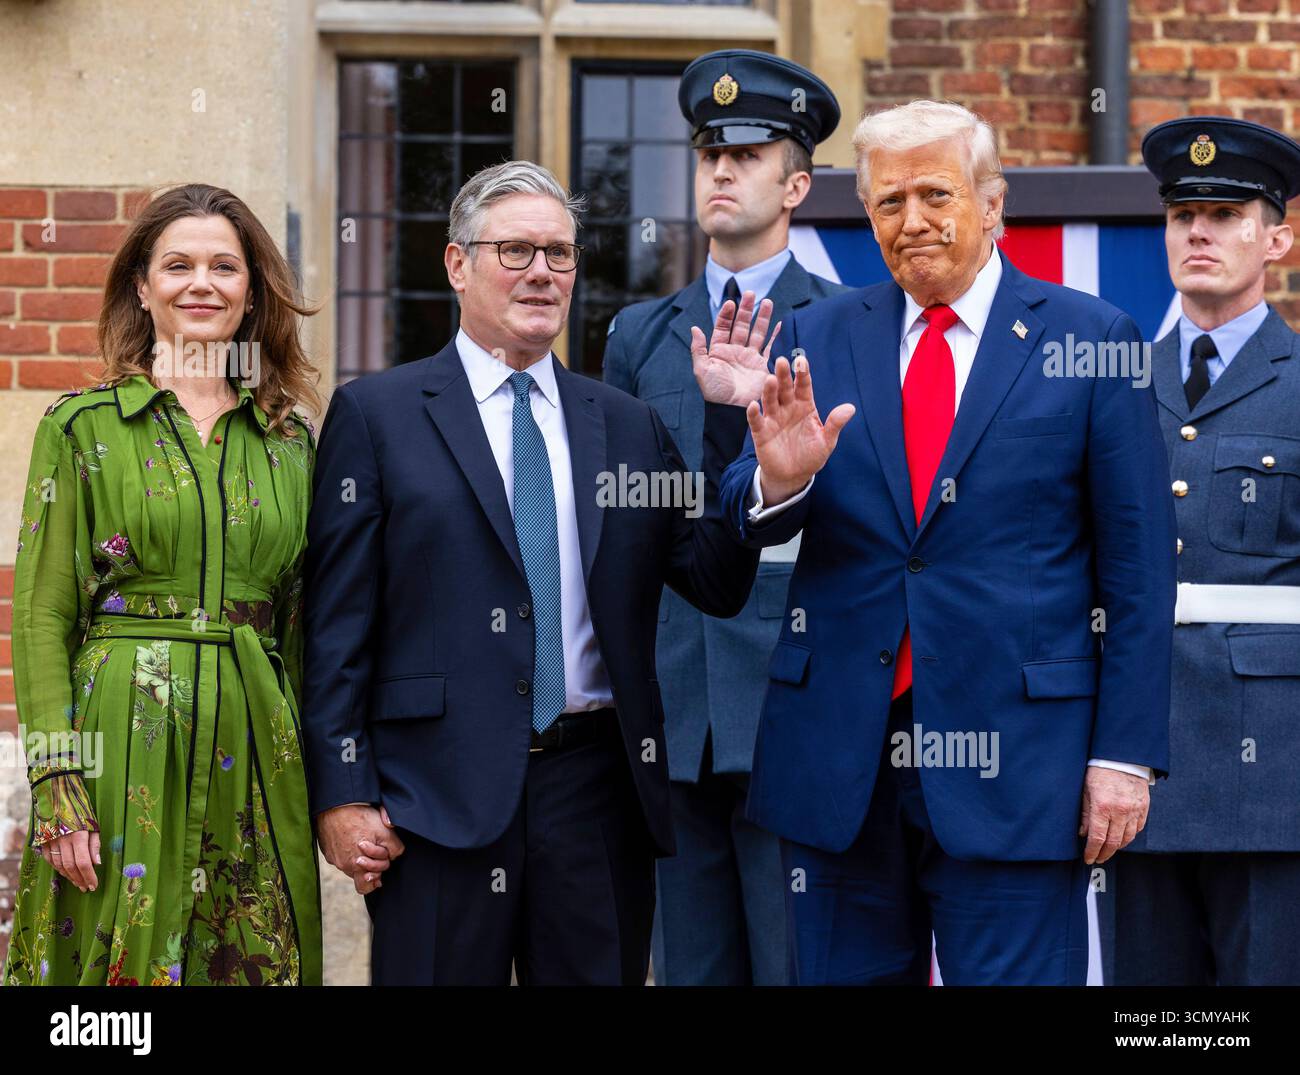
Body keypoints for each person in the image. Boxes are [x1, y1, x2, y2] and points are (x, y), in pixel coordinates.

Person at [694, 100, 1177, 985]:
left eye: (934, 194)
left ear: (992, 203)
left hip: (1022, 764)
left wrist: (1122, 757)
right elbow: (738, 510)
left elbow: (1140, 572)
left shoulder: (1092, 339)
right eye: (886, 202)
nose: (910, 220)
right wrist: (781, 478)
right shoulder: (815, 333)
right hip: (842, 758)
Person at [302, 160, 759, 986]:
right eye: (515, 251)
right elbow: (337, 625)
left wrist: (754, 455)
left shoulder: (625, 425)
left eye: (560, 253)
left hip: (597, 797)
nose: (542, 271)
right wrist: (341, 791)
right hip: (433, 797)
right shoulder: (378, 415)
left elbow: (715, 581)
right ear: (456, 264)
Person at [3, 184, 323, 986]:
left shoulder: (293, 446)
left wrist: (332, 782)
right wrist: (57, 782)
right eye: (177, 265)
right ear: (142, 289)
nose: (201, 283)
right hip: (121, 742)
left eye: (224, 265)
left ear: (252, 291)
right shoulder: (82, 427)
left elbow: (304, 627)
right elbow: (42, 616)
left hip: (254, 745)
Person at [604, 48, 845, 987]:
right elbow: (621, 521)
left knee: (796, 965)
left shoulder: (842, 321)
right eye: (709, 155)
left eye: (748, 155)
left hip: (791, 687)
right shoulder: (640, 333)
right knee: (691, 966)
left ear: (797, 184)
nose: (722, 171)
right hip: (672, 694)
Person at [1099, 117, 1300, 985]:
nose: (1200, 233)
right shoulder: (1111, 385)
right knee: (1153, 1024)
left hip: (1273, 775)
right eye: (1184, 215)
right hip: (1133, 766)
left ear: (1279, 237)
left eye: (1225, 213)